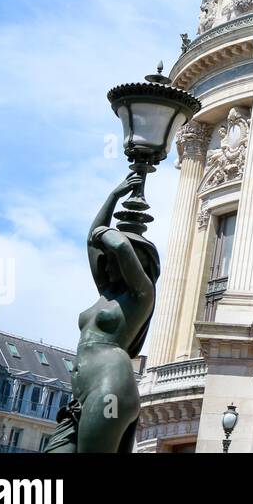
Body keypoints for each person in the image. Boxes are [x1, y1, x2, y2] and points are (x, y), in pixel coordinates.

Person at [47, 172, 159, 453]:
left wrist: (107, 236)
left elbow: (120, 246)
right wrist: (113, 196)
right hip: (83, 394)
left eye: (110, 260)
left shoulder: (140, 296)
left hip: (109, 391)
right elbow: (91, 241)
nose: (104, 264)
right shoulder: (106, 293)